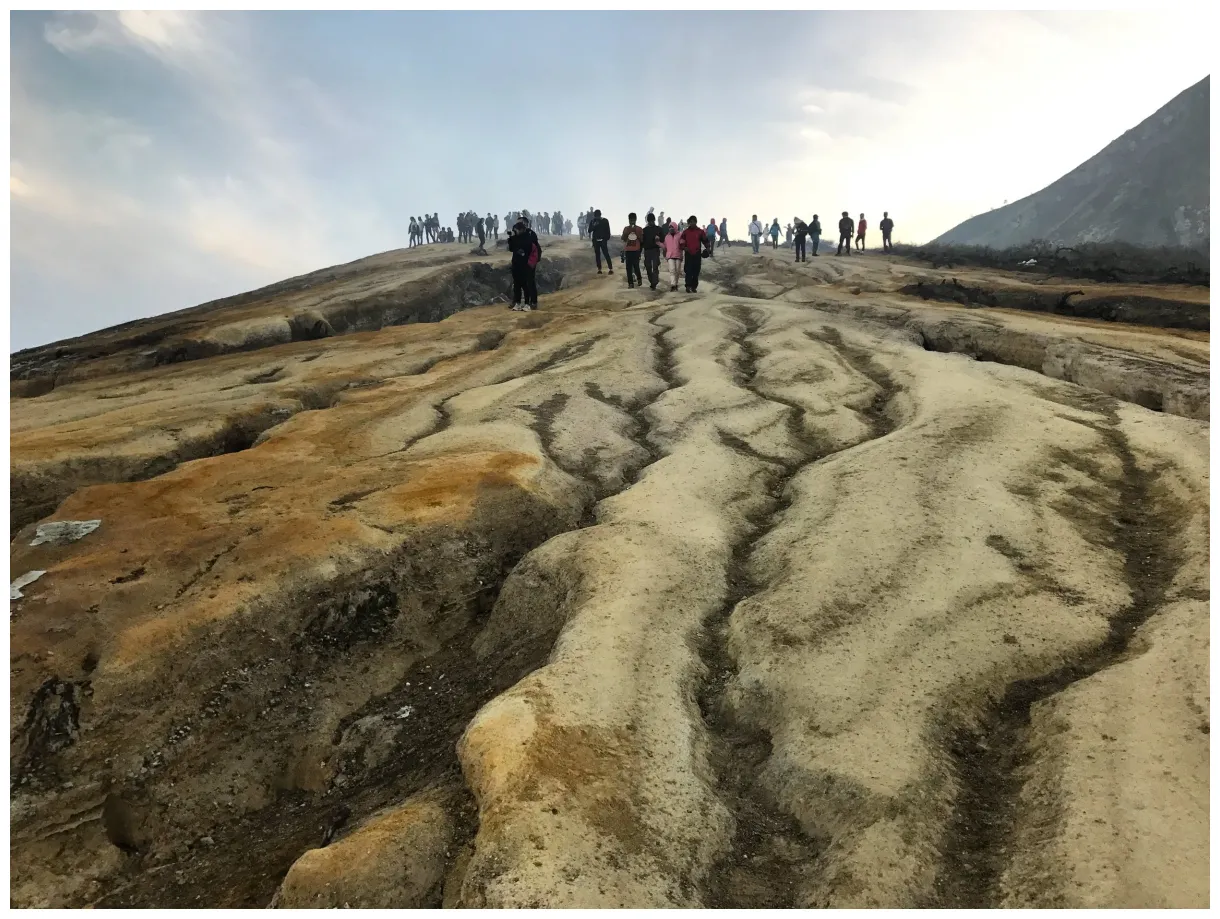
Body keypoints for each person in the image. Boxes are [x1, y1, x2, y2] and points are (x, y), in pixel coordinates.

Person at [507, 219, 540, 311]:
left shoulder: (530, 235)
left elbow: (531, 248)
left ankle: (530, 302)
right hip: (516, 263)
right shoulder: (516, 237)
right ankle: (517, 302)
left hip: (527, 263)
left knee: (528, 284)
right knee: (517, 284)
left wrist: (532, 263)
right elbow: (511, 248)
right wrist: (511, 238)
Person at [679, 216, 710, 293]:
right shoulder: (685, 232)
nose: (691, 223)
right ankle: (688, 286)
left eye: (693, 222)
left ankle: (694, 287)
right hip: (688, 253)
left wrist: (708, 248)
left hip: (697, 254)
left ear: (696, 222)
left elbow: (705, 240)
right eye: (690, 222)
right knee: (688, 270)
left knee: (696, 271)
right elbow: (681, 241)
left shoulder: (700, 232)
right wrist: (684, 247)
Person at [642, 212, 664, 290]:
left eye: (652, 220)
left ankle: (654, 282)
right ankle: (652, 282)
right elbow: (642, 241)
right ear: (648, 221)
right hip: (647, 251)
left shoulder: (659, 229)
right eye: (649, 221)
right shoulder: (644, 230)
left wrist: (659, 240)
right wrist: (640, 251)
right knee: (648, 267)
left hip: (655, 250)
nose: (651, 222)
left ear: (654, 220)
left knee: (655, 267)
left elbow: (663, 240)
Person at [621, 212, 644, 288]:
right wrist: (627, 232)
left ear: (636, 220)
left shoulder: (639, 229)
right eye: (630, 220)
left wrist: (636, 232)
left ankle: (639, 278)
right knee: (628, 267)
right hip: (628, 250)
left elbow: (641, 240)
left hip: (636, 250)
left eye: (633, 220)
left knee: (636, 266)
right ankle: (630, 283)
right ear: (628, 220)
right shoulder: (626, 228)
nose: (632, 222)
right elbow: (623, 239)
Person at [662, 220, 683, 291]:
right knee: (672, 270)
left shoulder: (680, 235)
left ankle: (676, 284)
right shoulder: (667, 237)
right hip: (670, 256)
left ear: (675, 227)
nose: (671, 229)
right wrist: (658, 243)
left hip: (678, 255)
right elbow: (665, 246)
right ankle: (673, 285)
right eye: (670, 227)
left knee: (677, 271)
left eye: (672, 227)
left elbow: (682, 243)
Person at [590, 209, 613, 274]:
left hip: (603, 240)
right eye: (595, 216)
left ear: (600, 215)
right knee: (597, 255)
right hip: (595, 240)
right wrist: (594, 225)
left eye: (597, 216)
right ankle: (599, 269)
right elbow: (589, 230)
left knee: (606, 254)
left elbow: (608, 230)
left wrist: (606, 238)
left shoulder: (605, 221)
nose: (596, 218)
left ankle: (610, 268)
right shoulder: (592, 221)